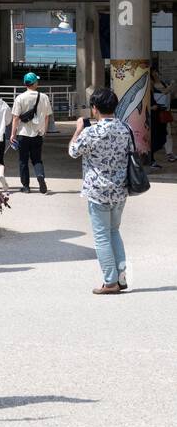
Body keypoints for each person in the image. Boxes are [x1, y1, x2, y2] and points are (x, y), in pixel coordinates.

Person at [68, 89, 134, 295]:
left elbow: (73, 151)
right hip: (120, 190)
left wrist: (78, 129)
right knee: (114, 232)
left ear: (95, 109)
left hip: (98, 191)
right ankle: (121, 277)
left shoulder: (91, 132)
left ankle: (110, 282)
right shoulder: (125, 128)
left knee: (102, 237)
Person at [10, 71, 52, 194]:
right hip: (38, 134)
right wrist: (44, 130)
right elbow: (47, 116)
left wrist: (13, 134)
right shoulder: (44, 97)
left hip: (23, 134)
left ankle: (26, 187)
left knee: (23, 161)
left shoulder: (20, 98)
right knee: (37, 159)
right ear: (34, 83)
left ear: (25, 84)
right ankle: (40, 175)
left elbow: (16, 118)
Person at [148, 62, 171, 167]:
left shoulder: (156, 85)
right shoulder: (149, 88)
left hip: (158, 114)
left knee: (160, 136)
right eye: (154, 72)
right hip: (152, 116)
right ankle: (150, 160)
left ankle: (152, 159)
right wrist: (152, 107)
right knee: (154, 137)